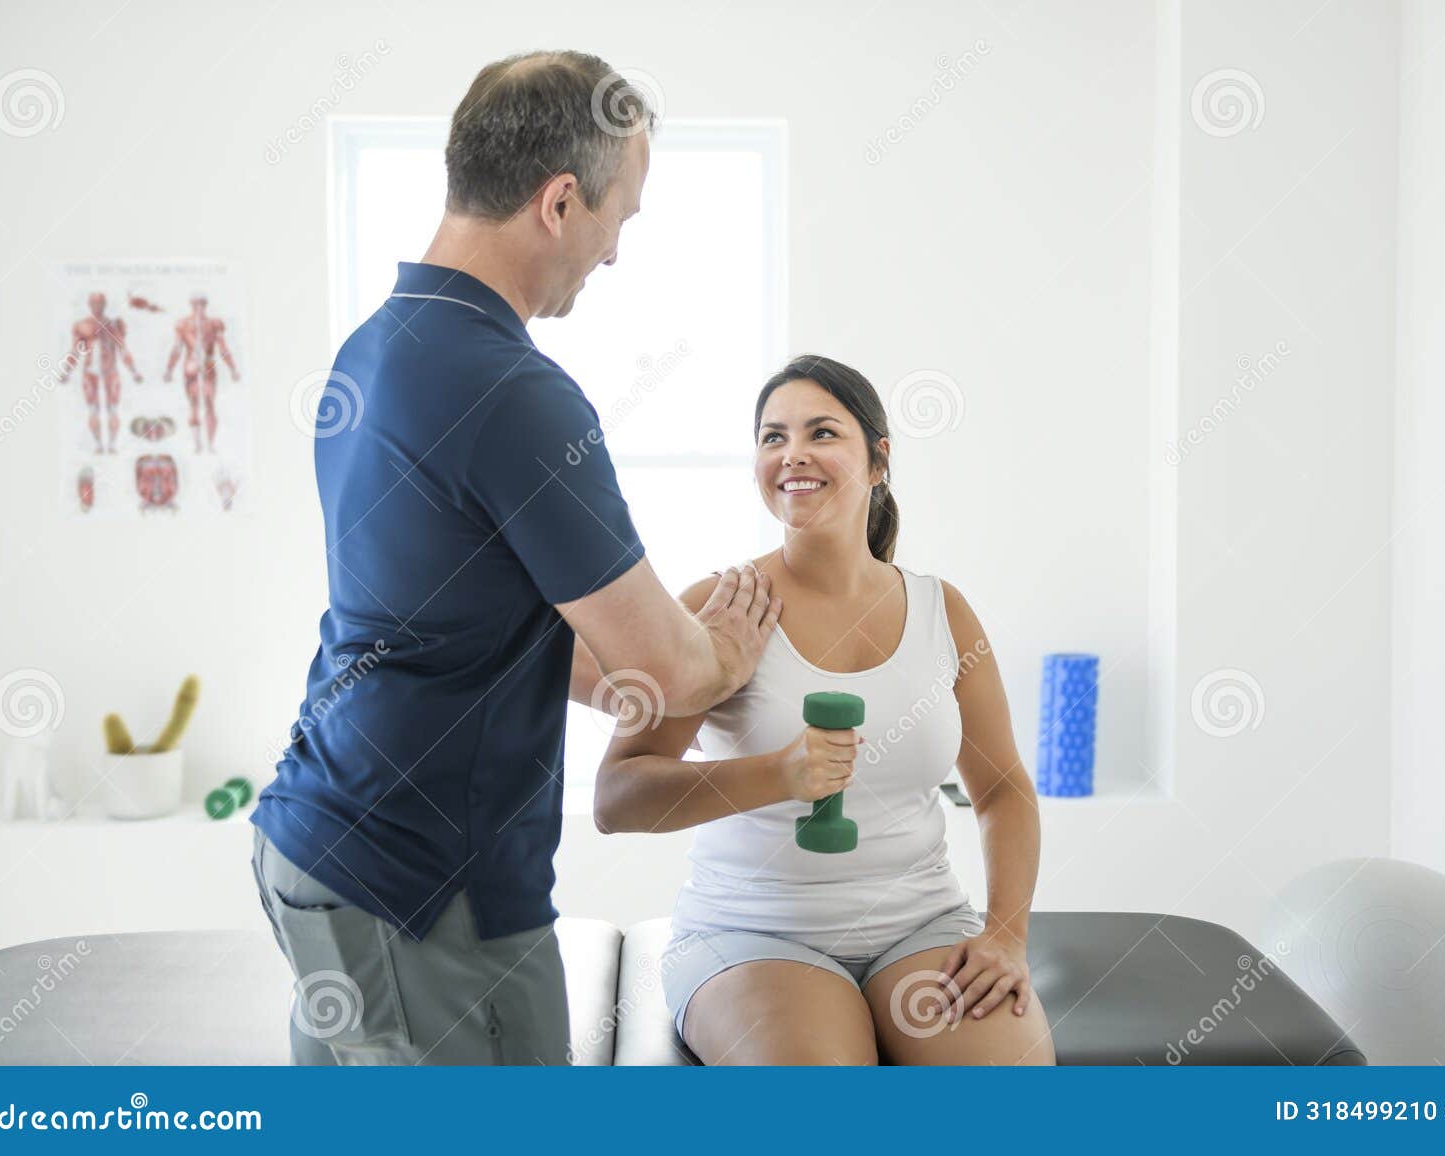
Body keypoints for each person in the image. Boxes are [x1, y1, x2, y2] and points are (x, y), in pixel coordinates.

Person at [249, 50, 780, 1066]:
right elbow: (671, 668)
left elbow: (479, 625)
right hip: (407, 877)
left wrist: (670, 673)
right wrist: (723, 655)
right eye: (619, 217)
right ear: (560, 202)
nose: (615, 253)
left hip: (350, 841)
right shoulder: (513, 392)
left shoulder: (377, 350)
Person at [595, 355, 1057, 1065]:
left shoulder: (943, 612)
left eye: (821, 433)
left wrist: (1005, 935)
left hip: (922, 926)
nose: (792, 454)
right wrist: (778, 774)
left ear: (878, 462)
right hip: (753, 934)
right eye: (772, 436)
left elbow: (1002, 791)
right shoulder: (722, 610)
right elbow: (618, 797)